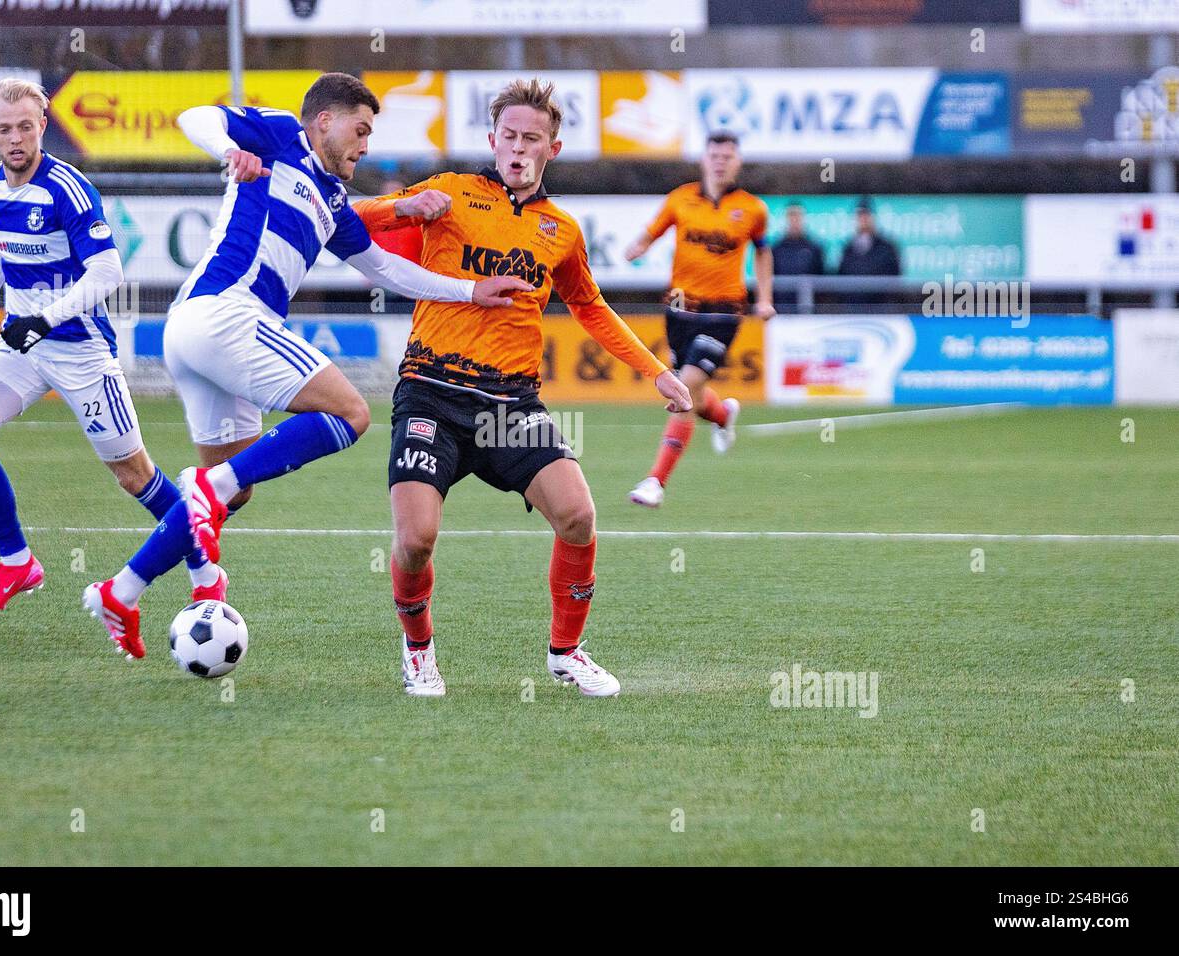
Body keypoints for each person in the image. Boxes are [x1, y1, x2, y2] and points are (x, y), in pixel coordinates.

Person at [83, 72, 530, 659]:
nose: (365, 145)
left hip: (201, 332)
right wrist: (230, 151)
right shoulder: (279, 135)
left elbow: (388, 272)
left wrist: (470, 291)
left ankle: (121, 590)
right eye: (361, 130)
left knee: (231, 494)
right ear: (324, 120)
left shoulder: (335, 199)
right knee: (349, 412)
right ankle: (205, 498)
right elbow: (197, 116)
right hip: (224, 314)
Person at [355, 78, 692, 698]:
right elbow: (347, 219)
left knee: (578, 516)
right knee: (414, 539)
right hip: (431, 391)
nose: (517, 147)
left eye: (530, 138)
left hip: (511, 404)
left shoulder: (560, 229)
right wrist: (399, 208)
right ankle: (418, 650)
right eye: (508, 136)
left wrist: (657, 371)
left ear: (551, 149)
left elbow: (590, 308)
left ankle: (566, 653)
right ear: (492, 139)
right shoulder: (449, 193)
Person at [0, 78, 222, 620]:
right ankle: (17, 563)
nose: (16, 137)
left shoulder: (67, 188)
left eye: (26, 126)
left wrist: (44, 318)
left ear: (42, 126)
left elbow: (108, 270)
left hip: (80, 350)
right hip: (23, 348)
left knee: (134, 476)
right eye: (5, 129)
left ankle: (207, 571)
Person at [623, 130, 774, 509]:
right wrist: (636, 247)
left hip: (724, 311)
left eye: (728, 155)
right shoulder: (680, 198)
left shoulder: (753, 209)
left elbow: (764, 253)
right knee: (694, 392)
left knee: (685, 387)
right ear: (704, 159)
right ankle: (722, 414)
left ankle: (656, 481)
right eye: (714, 155)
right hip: (679, 309)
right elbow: (651, 232)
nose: (721, 161)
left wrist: (766, 298)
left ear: (737, 162)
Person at [837, 196, 900, 306]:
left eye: (866, 215)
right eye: (860, 215)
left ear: (873, 217)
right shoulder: (848, 248)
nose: (863, 219)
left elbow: (893, 280)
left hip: (880, 310)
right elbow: (842, 277)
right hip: (853, 309)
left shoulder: (887, 248)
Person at [770, 200, 825, 310]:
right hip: (781, 309)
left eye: (798, 215)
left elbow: (821, 280)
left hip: (808, 310)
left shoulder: (814, 248)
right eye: (791, 215)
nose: (795, 220)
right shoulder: (776, 248)